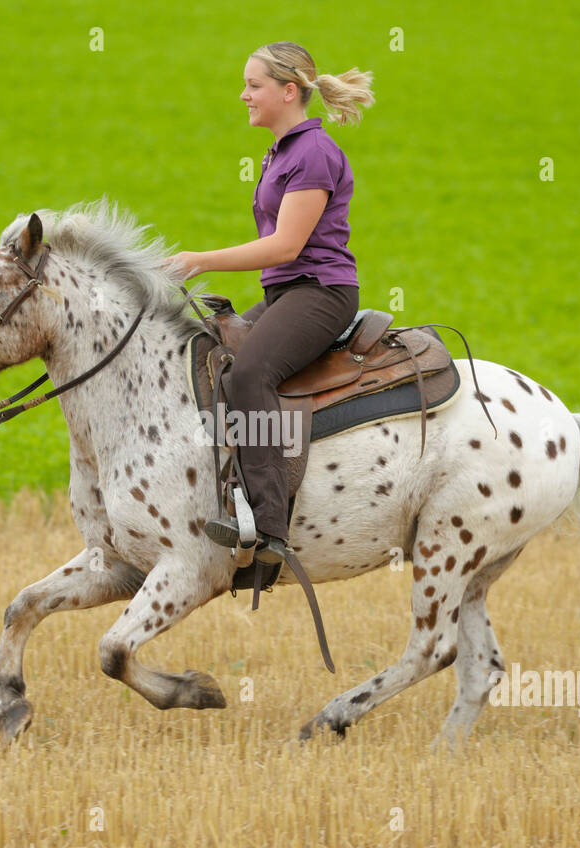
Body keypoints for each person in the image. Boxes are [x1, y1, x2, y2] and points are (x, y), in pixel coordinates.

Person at [165, 41, 374, 564]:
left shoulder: (313, 154)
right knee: (211, 352)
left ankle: (267, 525)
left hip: (320, 294)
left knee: (251, 371)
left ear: (287, 91)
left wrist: (201, 259)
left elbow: (285, 246)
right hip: (285, 292)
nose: (244, 95)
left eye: (253, 85)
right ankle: (220, 489)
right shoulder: (283, 150)